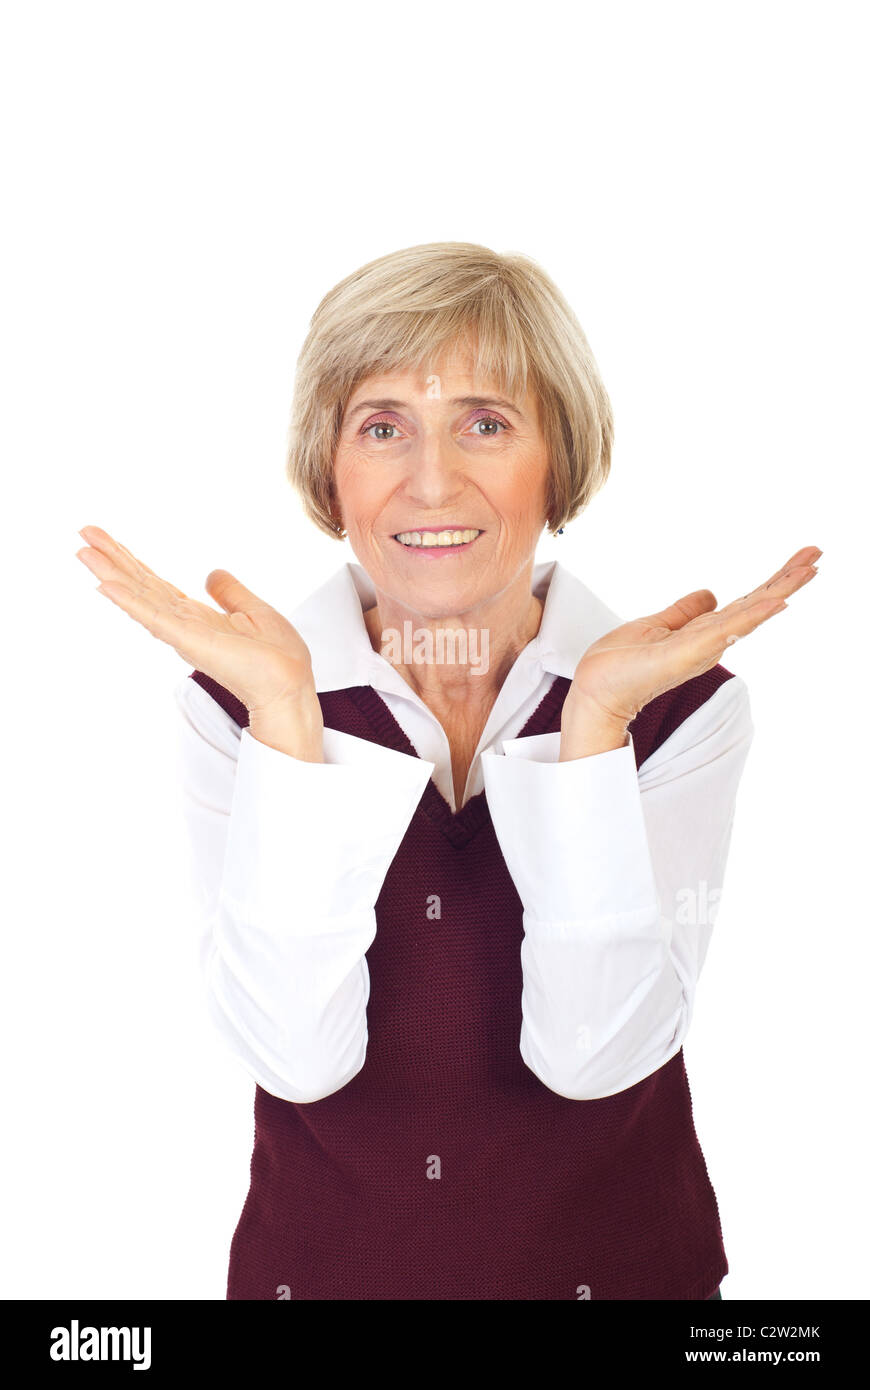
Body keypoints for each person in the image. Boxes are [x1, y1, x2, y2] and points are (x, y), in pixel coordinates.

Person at [76, 242, 820, 1300]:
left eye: (486, 422)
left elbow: (595, 1056)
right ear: (329, 473)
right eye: (383, 427)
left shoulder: (683, 706)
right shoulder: (237, 704)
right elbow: (294, 1054)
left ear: (556, 459)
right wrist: (288, 720)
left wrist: (595, 725)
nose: (433, 481)